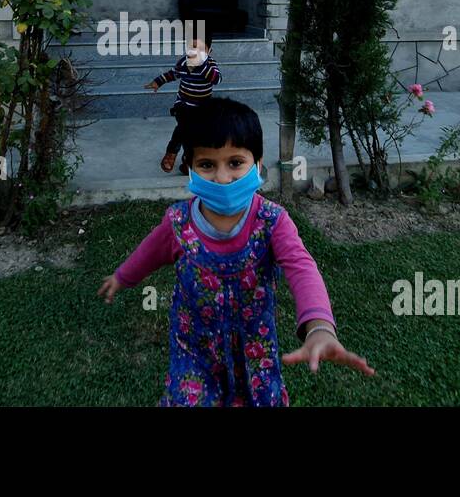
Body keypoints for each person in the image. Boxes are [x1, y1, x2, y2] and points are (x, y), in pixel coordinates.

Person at [97, 97, 375, 406]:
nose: (222, 177)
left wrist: (319, 328)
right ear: (189, 168)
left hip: (256, 349)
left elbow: (301, 267)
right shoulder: (178, 222)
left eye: (235, 163)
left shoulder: (272, 221)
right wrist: (122, 277)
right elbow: (149, 252)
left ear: (256, 163)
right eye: (206, 165)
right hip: (193, 349)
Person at [144, 33, 221, 174]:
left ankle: (189, 161)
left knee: (195, 135)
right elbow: (172, 74)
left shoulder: (210, 65)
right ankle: (171, 153)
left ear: (209, 52)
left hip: (202, 109)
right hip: (183, 104)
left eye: (201, 49)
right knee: (184, 127)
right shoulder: (184, 63)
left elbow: (216, 80)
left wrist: (202, 65)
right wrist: (157, 82)